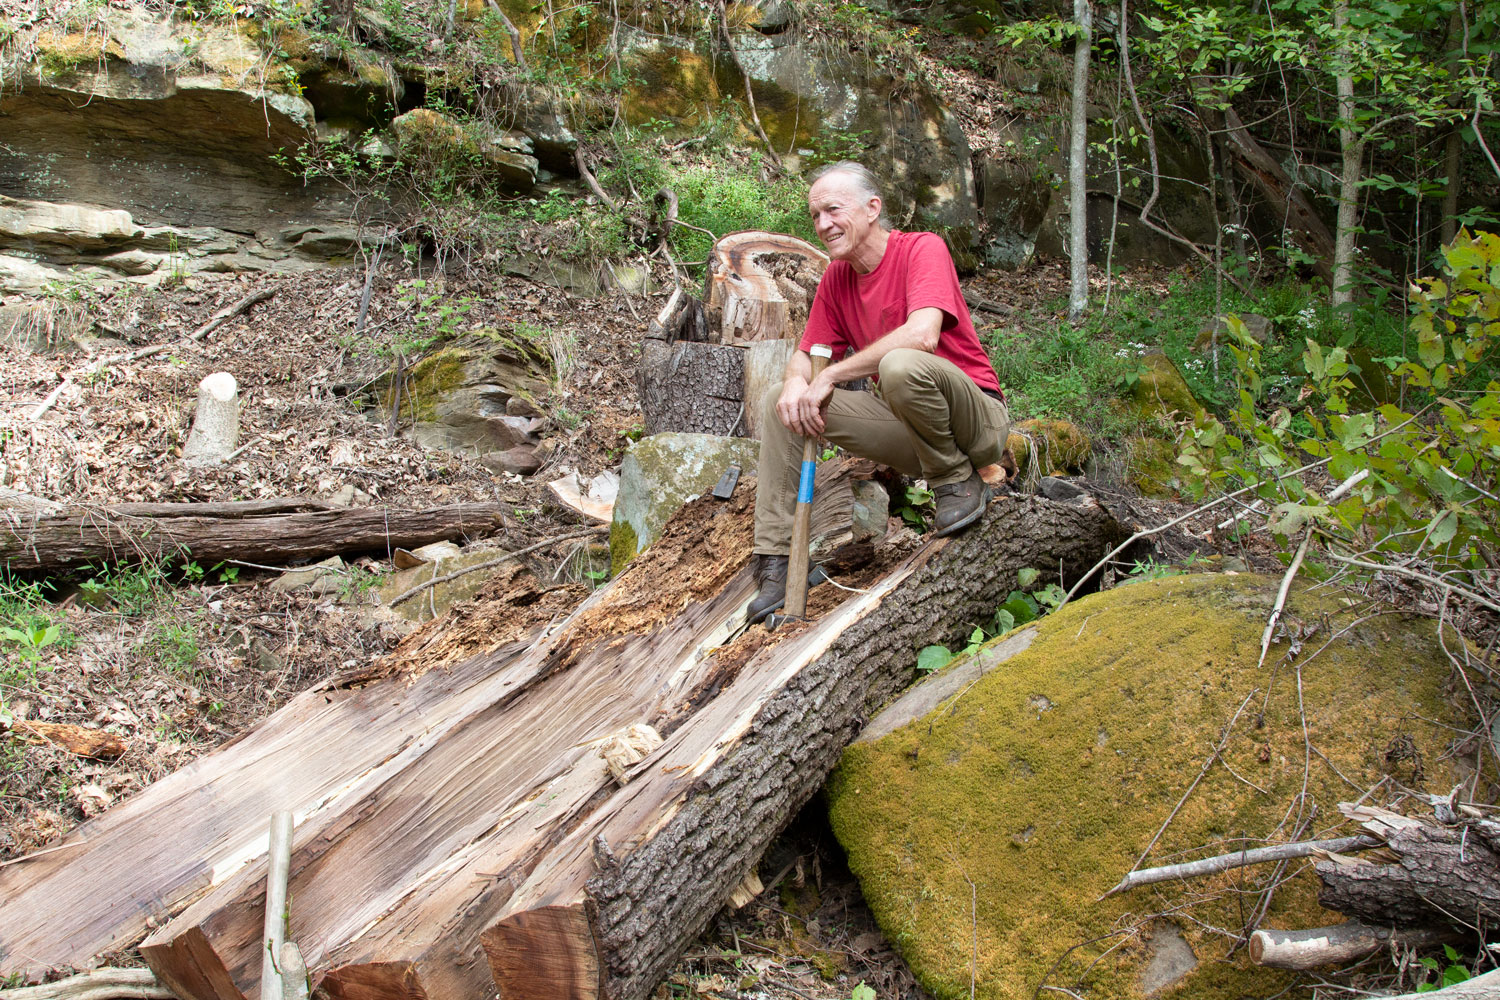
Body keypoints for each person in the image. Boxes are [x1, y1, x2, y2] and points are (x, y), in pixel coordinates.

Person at [749, 161, 1011, 624]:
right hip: (911, 434)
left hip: (977, 423)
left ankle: (957, 481)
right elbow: (807, 352)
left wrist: (829, 376)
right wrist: (797, 380)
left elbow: (923, 335)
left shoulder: (921, 249)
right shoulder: (837, 278)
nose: (823, 224)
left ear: (873, 208)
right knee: (777, 402)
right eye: (815, 215)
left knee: (900, 364)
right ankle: (777, 559)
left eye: (833, 209)